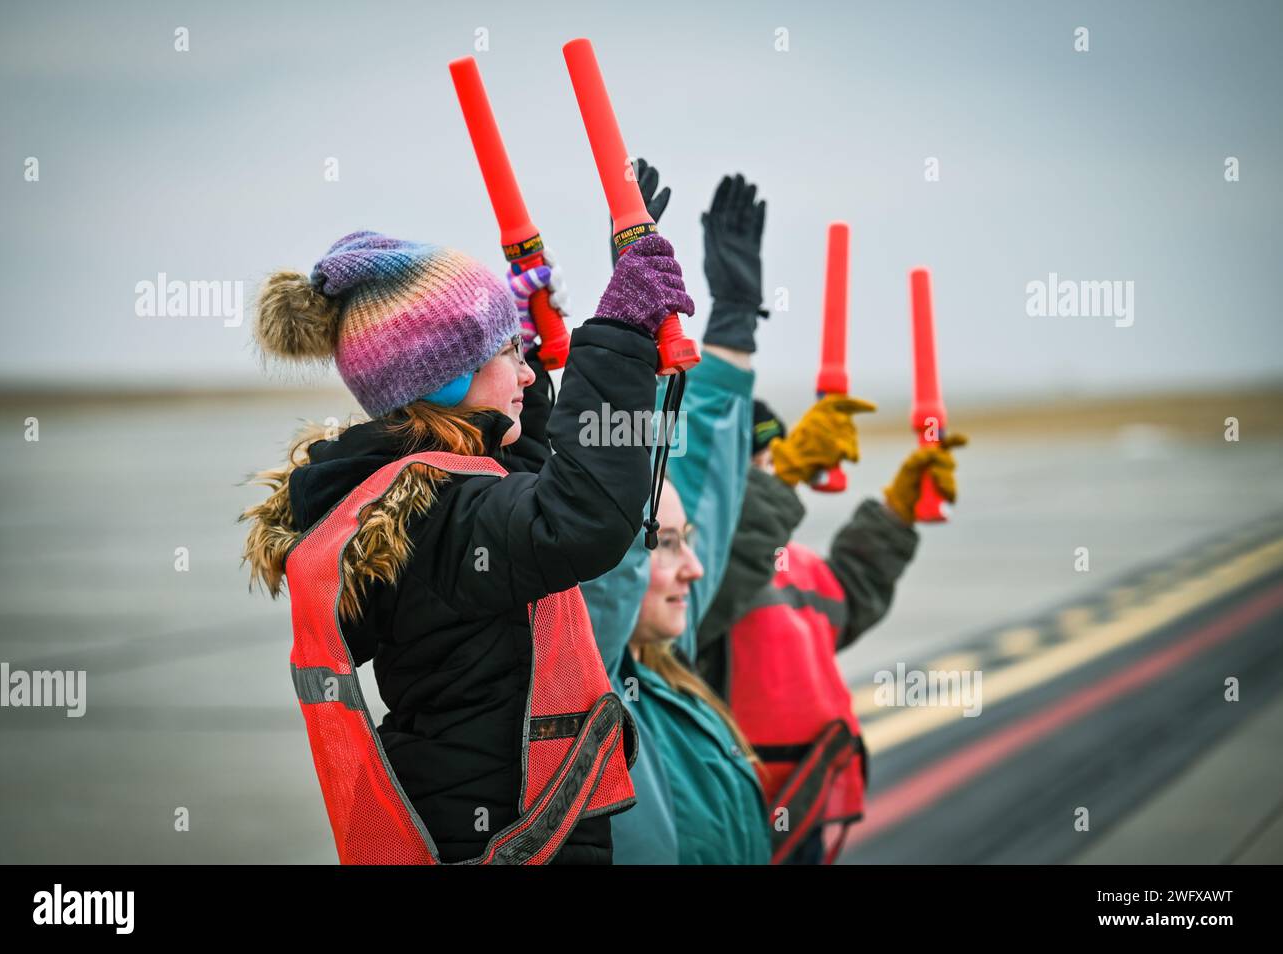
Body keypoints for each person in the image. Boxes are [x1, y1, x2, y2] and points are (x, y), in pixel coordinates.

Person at [240, 229, 693, 864]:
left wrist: (534, 346)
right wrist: (619, 340)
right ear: (450, 378)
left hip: (477, 822)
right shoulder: (444, 518)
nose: (529, 371)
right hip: (502, 840)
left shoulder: (415, 498)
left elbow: (524, 483)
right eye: (511, 354)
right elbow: (578, 518)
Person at [579, 168, 774, 864]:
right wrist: (626, 340)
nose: (693, 566)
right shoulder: (591, 695)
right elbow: (615, 509)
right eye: (661, 547)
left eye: (683, 543)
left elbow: (692, 480)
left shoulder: (664, 664)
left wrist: (733, 318)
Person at [698, 397, 967, 863]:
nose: (776, 480)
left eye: (778, 464)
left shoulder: (791, 565)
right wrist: (779, 483)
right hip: (725, 819)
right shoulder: (690, 573)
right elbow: (721, 583)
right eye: (758, 467)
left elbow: (849, 596)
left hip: (802, 802)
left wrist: (894, 515)